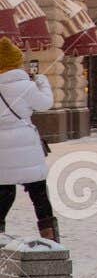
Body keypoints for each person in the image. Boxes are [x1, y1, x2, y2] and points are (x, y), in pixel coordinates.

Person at [0, 40, 59, 241]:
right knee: (39, 195)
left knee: (4, 193)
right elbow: (45, 103)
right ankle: (51, 240)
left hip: (2, 150)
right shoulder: (26, 86)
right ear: (17, 62)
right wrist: (41, 80)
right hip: (26, 146)